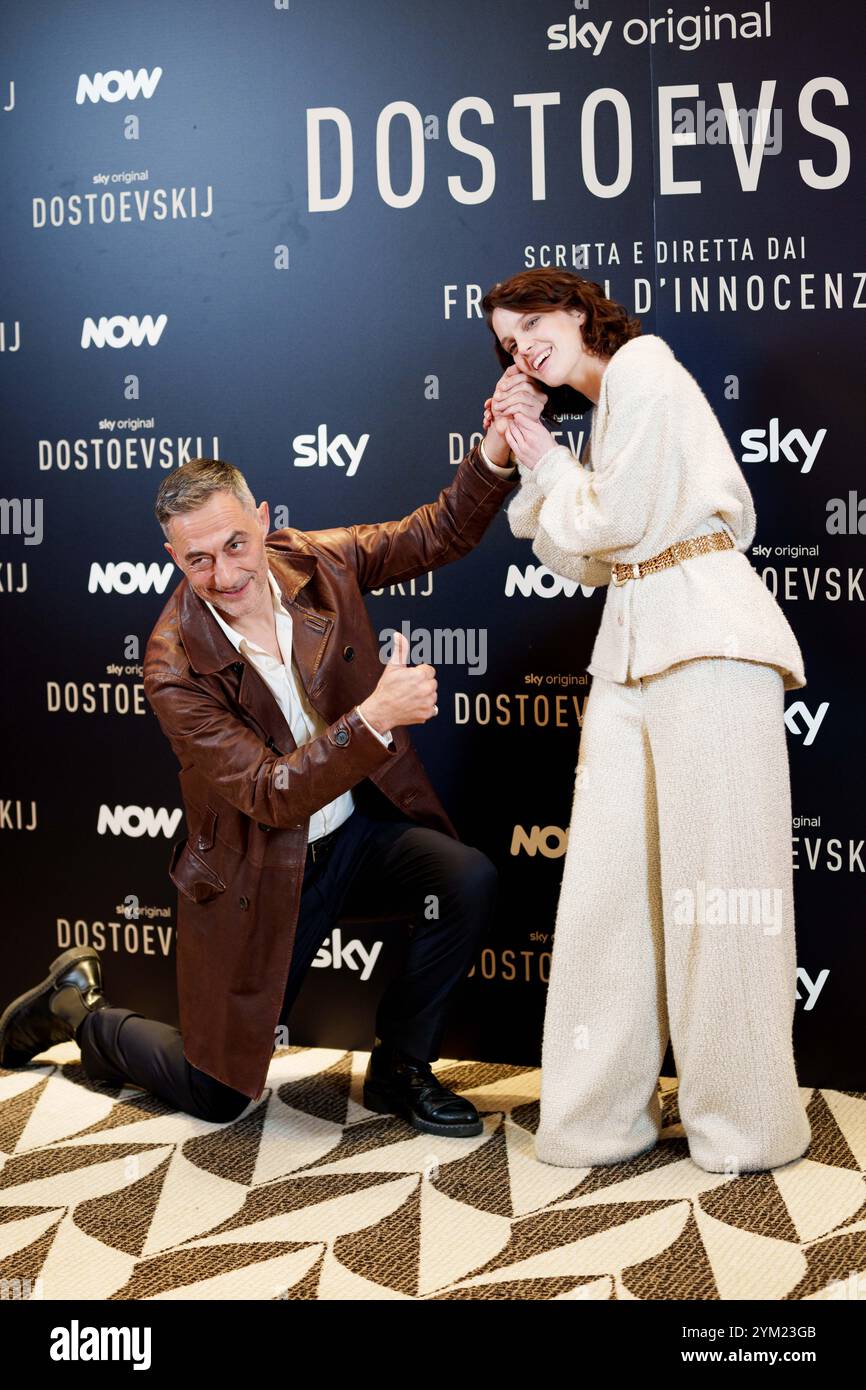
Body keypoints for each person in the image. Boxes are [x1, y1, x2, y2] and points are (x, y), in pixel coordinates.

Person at [0, 439, 521, 1137]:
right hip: (263, 874)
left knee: (464, 878)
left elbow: (439, 532)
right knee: (217, 1095)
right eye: (199, 560)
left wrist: (494, 452)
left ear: (264, 520)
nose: (224, 574)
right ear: (173, 558)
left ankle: (401, 1067)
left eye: (235, 545)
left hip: (353, 839)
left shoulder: (316, 561)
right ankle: (78, 1014)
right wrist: (374, 718)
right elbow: (270, 794)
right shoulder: (172, 666)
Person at [477, 267, 812, 1175]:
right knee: (607, 895)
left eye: (533, 323)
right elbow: (584, 555)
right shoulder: (607, 415)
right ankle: (596, 1121)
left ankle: (746, 1127)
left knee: (723, 892)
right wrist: (532, 450)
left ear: (577, 310)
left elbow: (612, 519)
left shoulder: (644, 366)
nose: (523, 348)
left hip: (709, 639)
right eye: (508, 342)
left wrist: (547, 457)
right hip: (631, 647)